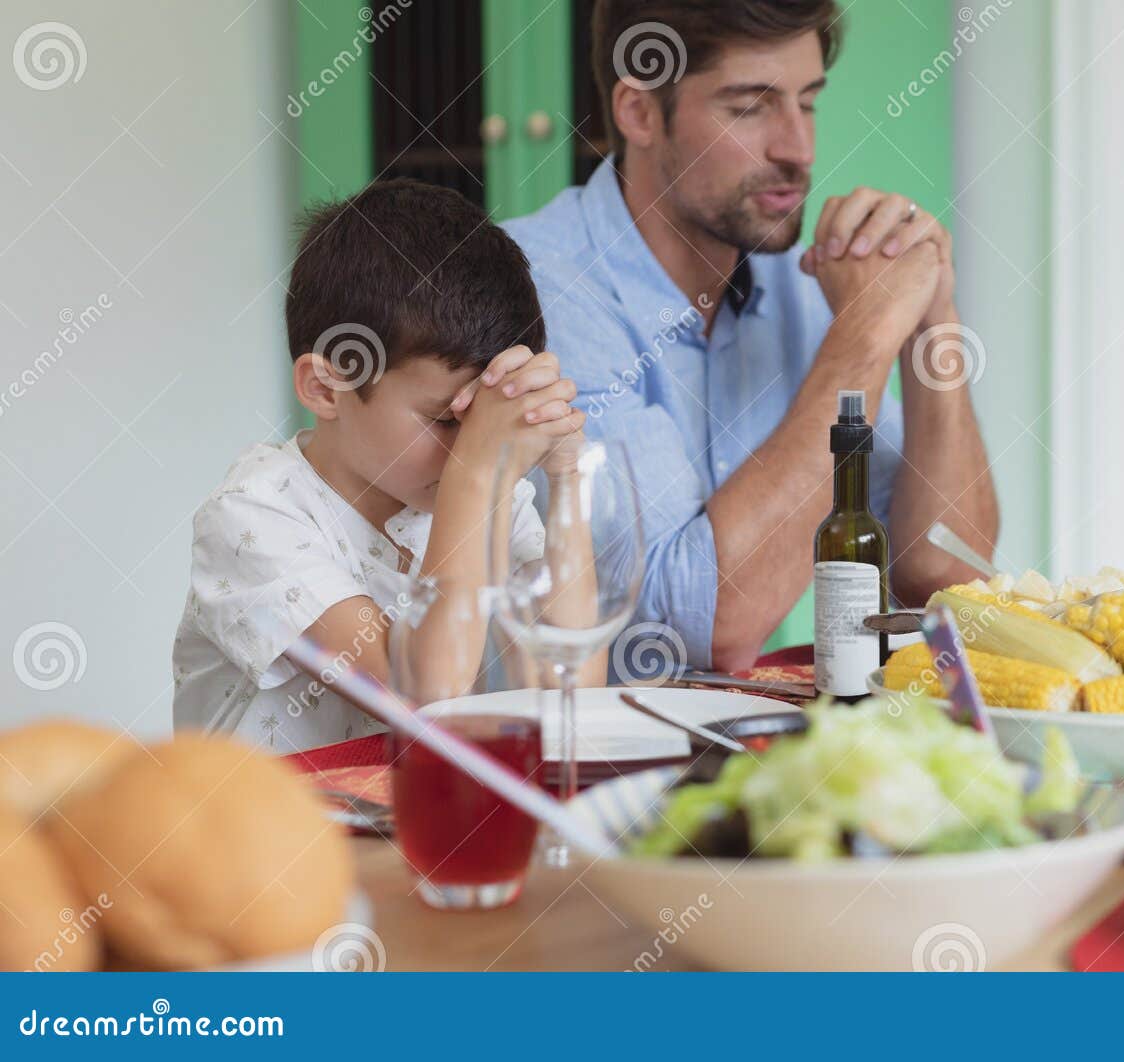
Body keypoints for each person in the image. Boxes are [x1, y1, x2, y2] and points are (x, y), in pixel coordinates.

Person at [503, 0, 1000, 673]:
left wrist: (929, 312)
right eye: (749, 107)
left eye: (808, 102)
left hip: (731, 754)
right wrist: (866, 334)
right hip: (554, 763)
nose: (797, 149)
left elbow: (944, 574)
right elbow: (701, 631)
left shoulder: (807, 285)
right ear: (640, 111)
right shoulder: (534, 288)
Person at [172, 179, 592, 751]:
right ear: (326, 388)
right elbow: (421, 697)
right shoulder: (254, 517)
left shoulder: (481, 485)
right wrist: (475, 474)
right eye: (447, 420)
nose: (472, 445)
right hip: (268, 833)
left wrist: (565, 477)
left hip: (403, 827)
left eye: (486, 423)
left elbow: (570, 684)